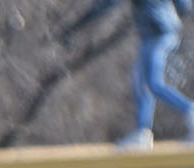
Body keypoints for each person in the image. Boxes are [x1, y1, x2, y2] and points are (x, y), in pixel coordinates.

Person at [64, 0, 194, 149]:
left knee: (153, 84)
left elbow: (107, 5)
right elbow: (184, 6)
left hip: (156, 30)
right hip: (163, 30)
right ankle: (141, 133)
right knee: (142, 83)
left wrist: (76, 27)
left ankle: (189, 111)